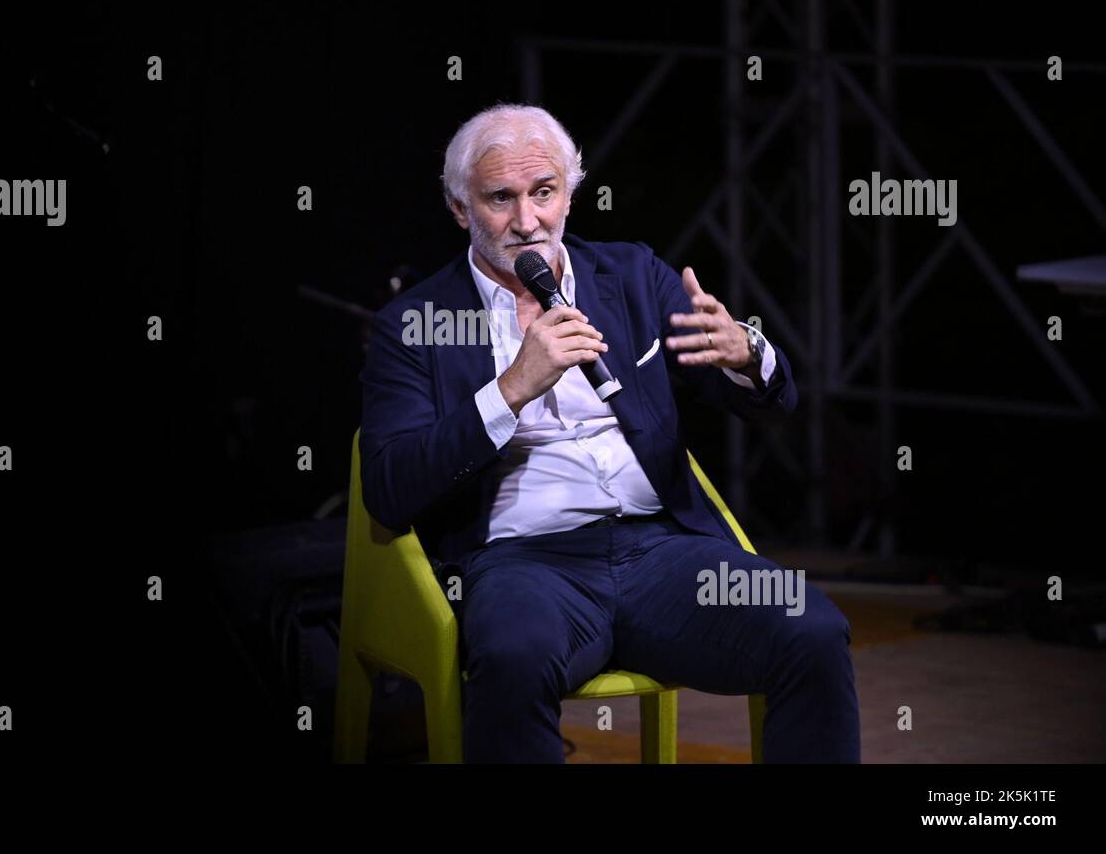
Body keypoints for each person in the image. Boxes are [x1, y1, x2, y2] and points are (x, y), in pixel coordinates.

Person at [359, 103, 860, 763]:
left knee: (813, 630)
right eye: (500, 199)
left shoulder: (632, 277)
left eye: (544, 193)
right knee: (511, 657)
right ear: (460, 209)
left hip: (664, 552)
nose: (528, 221)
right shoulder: (413, 322)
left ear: (569, 191)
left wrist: (746, 353)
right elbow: (390, 489)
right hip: (523, 561)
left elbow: (770, 404)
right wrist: (510, 388)